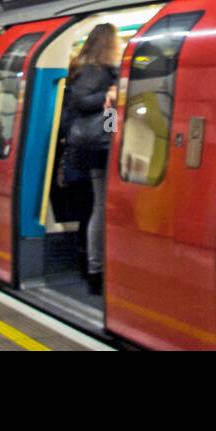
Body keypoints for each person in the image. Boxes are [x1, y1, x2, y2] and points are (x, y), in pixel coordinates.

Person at [65, 23, 121, 295]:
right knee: (100, 206)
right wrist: (108, 95)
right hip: (99, 145)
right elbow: (81, 102)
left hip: (102, 143)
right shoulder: (92, 69)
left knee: (99, 205)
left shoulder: (95, 68)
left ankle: (97, 265)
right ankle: (96, 270)